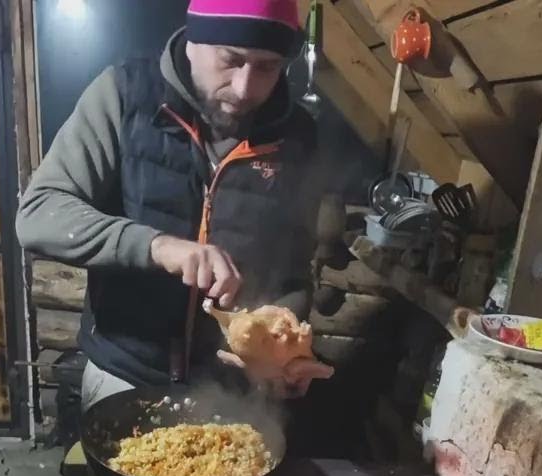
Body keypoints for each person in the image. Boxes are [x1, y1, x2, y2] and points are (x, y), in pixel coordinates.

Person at [18, 0, 333, 409]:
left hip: (232, 388)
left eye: (267, 67)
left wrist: (283, 351)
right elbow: (39, 215)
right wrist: (157, 246)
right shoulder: (124, 96)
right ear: (191, 43)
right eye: (230, 60)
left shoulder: (298, 138)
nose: (244, 88)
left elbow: (292, 271)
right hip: (124, 375)